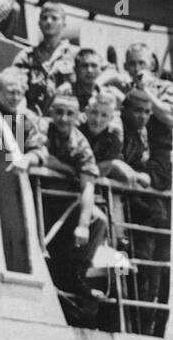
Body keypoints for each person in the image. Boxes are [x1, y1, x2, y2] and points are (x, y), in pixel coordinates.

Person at [11, 91, 109, 303]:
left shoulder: (80, 142)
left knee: (98, 219)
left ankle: (75, 276)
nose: (63, 118)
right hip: (34, 200)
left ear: (77, 117)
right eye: (59, 112)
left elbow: (88, 185)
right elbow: (41, 155)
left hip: (63, 206)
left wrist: (83, 225)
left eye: (69, 113)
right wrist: (67, 168)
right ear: (51, 112)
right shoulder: (41, 127)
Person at [14, 3, 78, 116]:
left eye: (54, 18)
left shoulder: (75, 54)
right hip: (32, 117)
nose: (49, 21)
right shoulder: (27, 56)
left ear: (64, 24)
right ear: (39, 24)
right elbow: (13, 85)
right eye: (44, 18)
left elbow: (109, 70)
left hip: (63, 119)